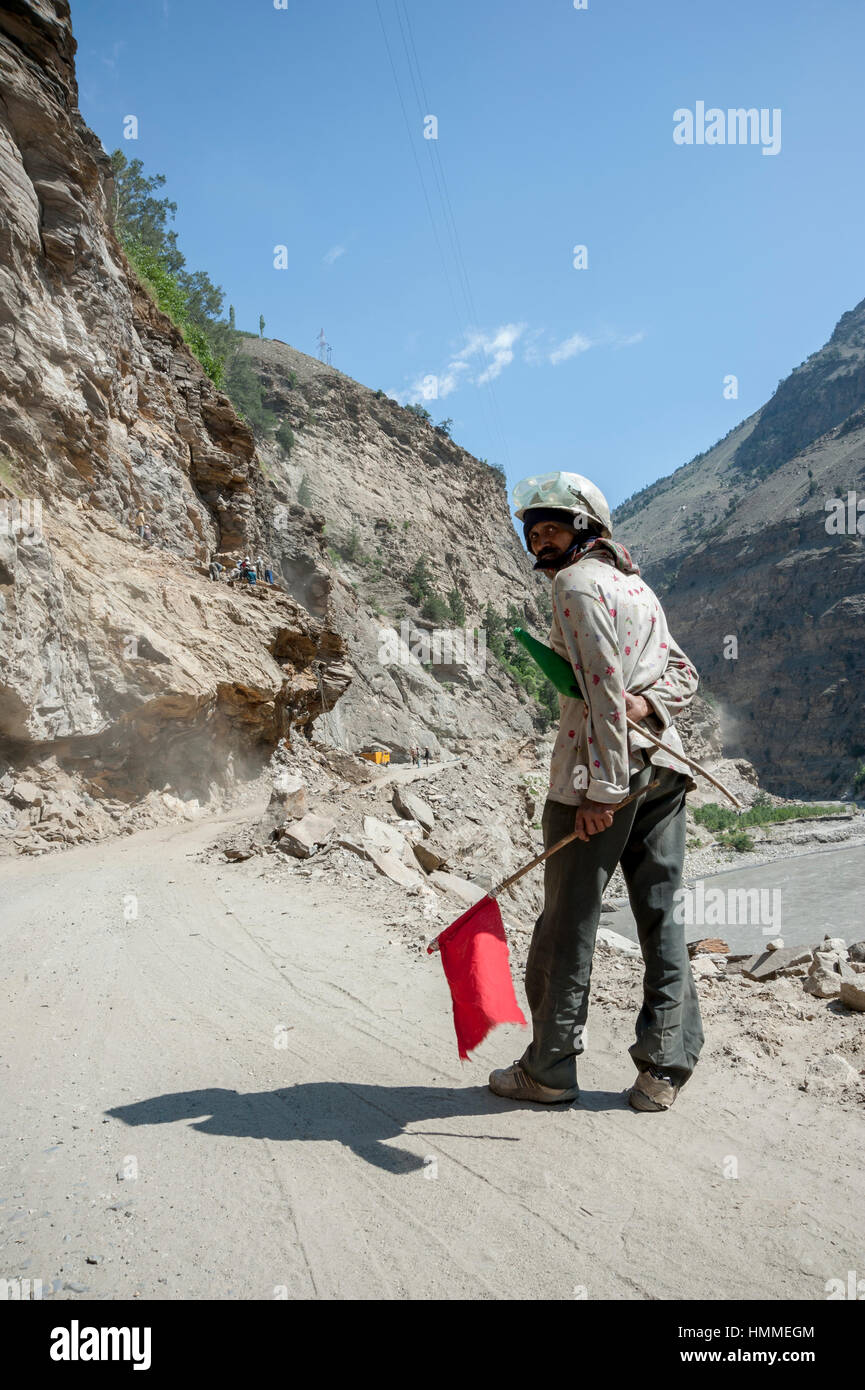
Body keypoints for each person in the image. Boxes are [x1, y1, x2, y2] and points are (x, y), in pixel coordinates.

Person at [488, 470, 702, 1114]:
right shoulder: (637, 587)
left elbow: (604, 694)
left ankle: (549, 1069)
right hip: (665, 769)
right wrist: (652, 706)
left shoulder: (576, 586)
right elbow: (683, 676)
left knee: (568, 922)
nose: (540, 540)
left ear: (586, 529)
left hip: (598, 772)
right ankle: (663, 1068)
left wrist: (603, 791)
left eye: (553, 526)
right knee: (660, 914)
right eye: (533, 530)